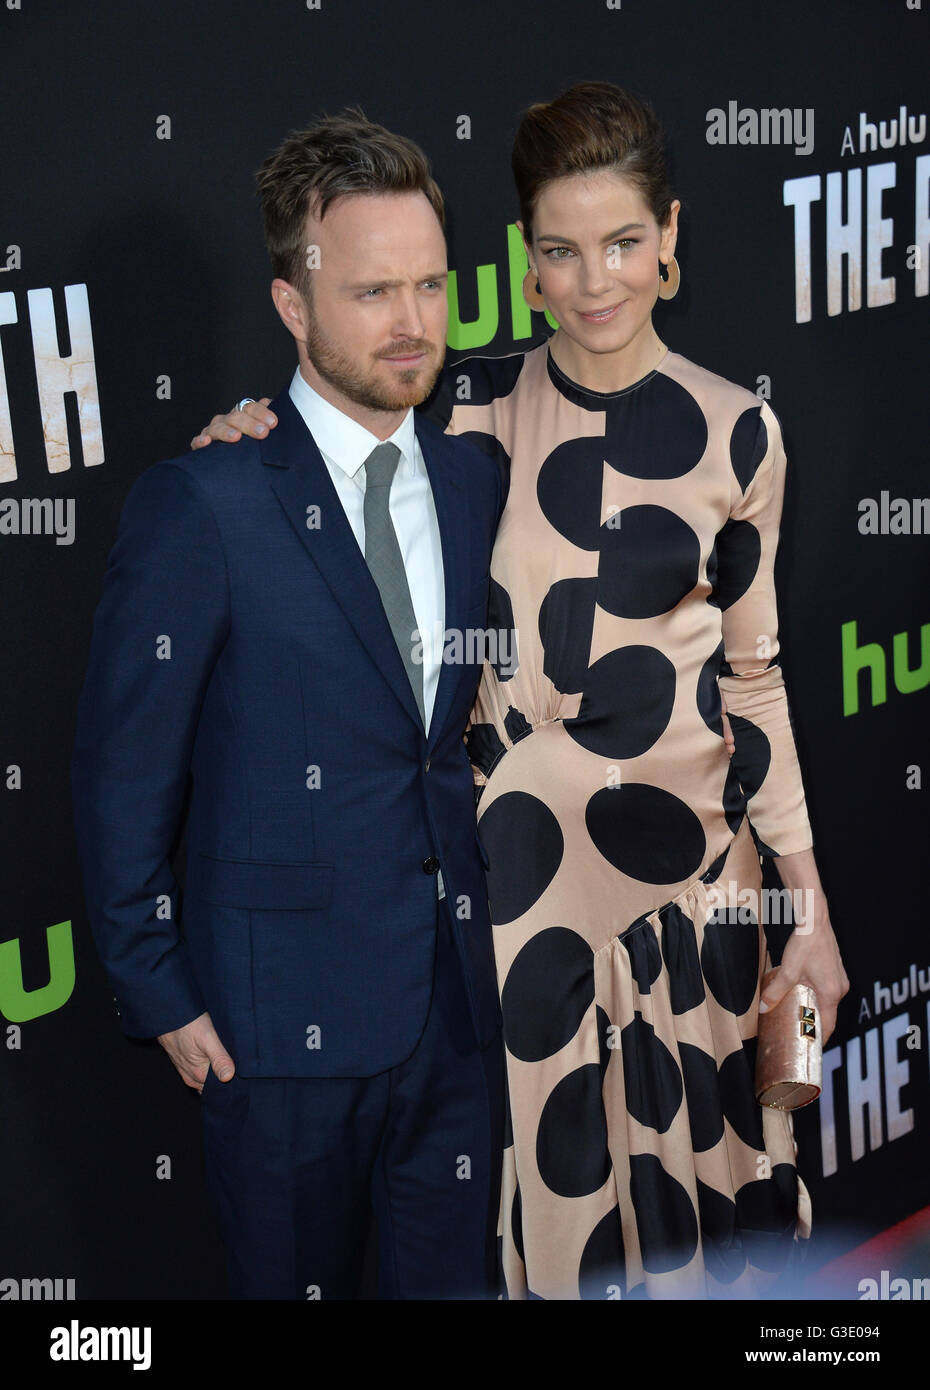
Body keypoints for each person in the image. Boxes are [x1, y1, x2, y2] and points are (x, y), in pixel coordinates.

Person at [192, 82, 849, 1300]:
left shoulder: (739, 432)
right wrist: (249, 429)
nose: (595, 281)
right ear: (528, 266)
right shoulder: (467, 407)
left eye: (621, 243)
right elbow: (326, 440)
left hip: (698, 901)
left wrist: (804, 907)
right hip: (522, 908)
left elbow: (755, 683)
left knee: (704, 1226)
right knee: (554, 1229)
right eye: (559, 250)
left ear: (670, 240)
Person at [70, 111, 507, 1300]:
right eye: (374, 293)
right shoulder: (205, 501)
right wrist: (156, 987)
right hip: (274, 1036)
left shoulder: (476, 477)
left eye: (429, 284)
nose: (414, 322)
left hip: (460, 1021)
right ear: (291, 305)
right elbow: (122, 770)